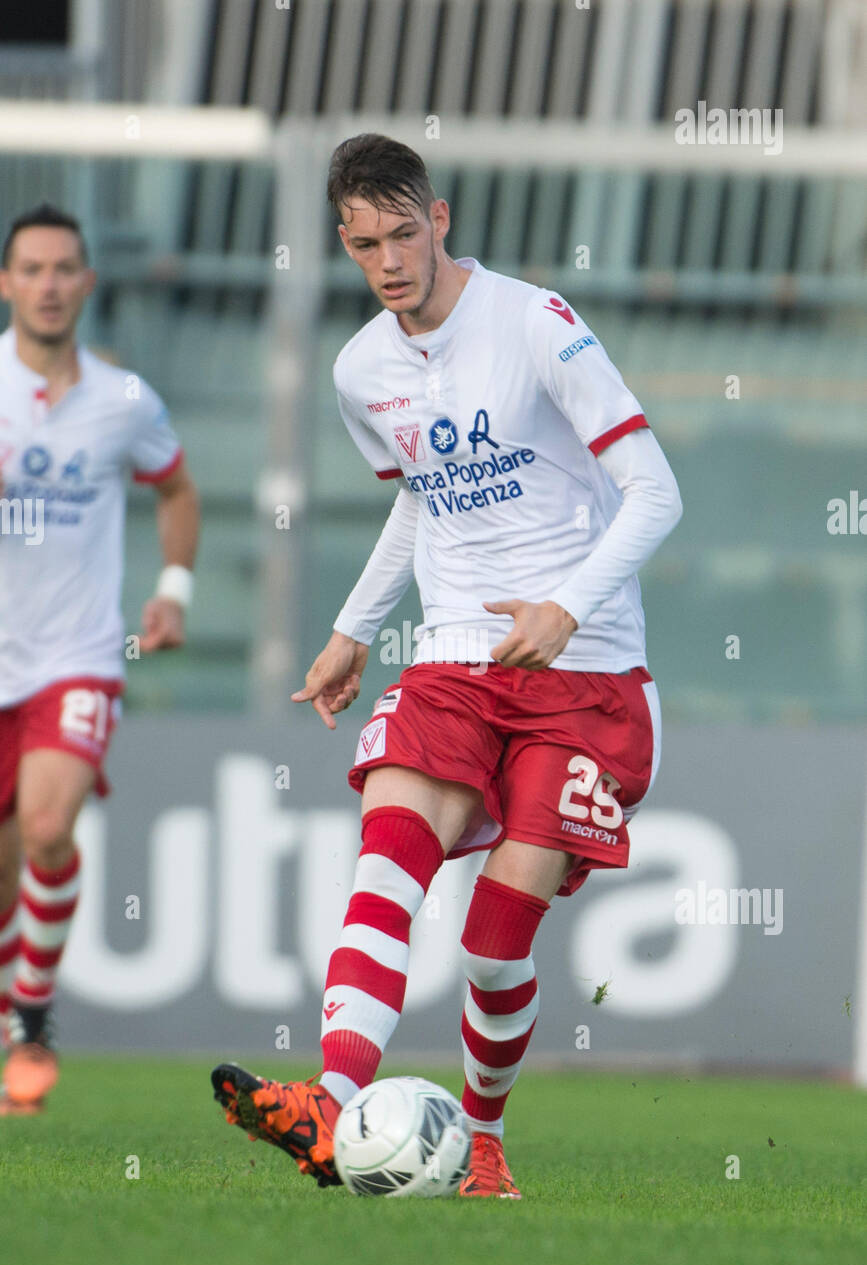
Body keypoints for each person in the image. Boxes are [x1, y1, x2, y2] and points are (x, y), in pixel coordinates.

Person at [212, 134, 682, 1197]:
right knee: (387, 858)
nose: (390, 261)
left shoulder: (536, 324)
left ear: (443, 217)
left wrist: (567, 607)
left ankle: (481, 1137)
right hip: (454, 658)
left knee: (491, 939)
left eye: (405, 233)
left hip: (588, 672)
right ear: (343, 241)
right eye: (365, 243)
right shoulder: (360, 371)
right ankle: (326, 1109)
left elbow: (657, 492)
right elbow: (420, 495)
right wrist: (352, 627)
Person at [0, 204, 199, 1115]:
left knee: (48, 830)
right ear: (7, 283)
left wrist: (174, 590)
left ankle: (30, 1019)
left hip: (77, 655)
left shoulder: (124, 402)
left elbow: (176, 487)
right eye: (31, 269)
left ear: (86, 282)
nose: (47, 284)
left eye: (63, 269)